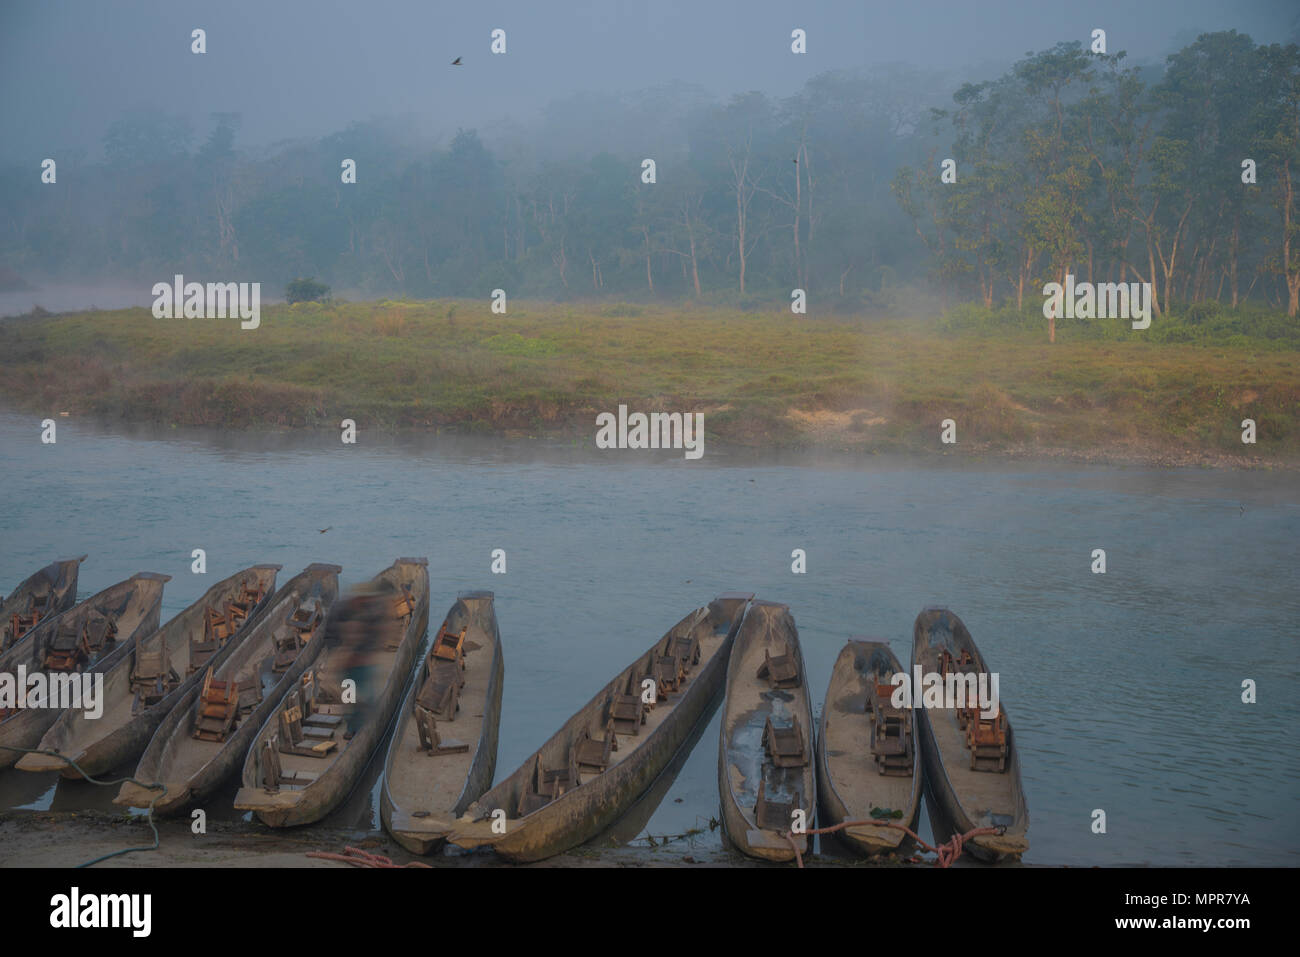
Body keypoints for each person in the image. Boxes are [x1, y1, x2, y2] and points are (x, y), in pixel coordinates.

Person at [323, 582, 398, 739]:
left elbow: (377, 634)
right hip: (345, 661)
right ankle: (352, 729)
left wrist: (365, 656)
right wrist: (339, 656)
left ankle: (363, 728)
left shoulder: (369, 610)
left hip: (362, 661)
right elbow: (330, 636)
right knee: (349, 697)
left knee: (366, 697)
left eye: (367, 599)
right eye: (362, 599)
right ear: (356, 598)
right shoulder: (340, 611)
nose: (364, 602)